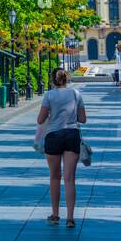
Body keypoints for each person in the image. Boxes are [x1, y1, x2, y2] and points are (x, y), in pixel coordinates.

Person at [38, 67, 86, 228]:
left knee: (54, 177)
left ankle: (55, 215)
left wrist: (54, 115)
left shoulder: (49, 95)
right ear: (67, 79)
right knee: (70, 179)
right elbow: (83, 119)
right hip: (72, 135)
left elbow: (40, 120)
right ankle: (70, 218)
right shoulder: (76, 94)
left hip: (54, 136)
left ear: (52, 80)